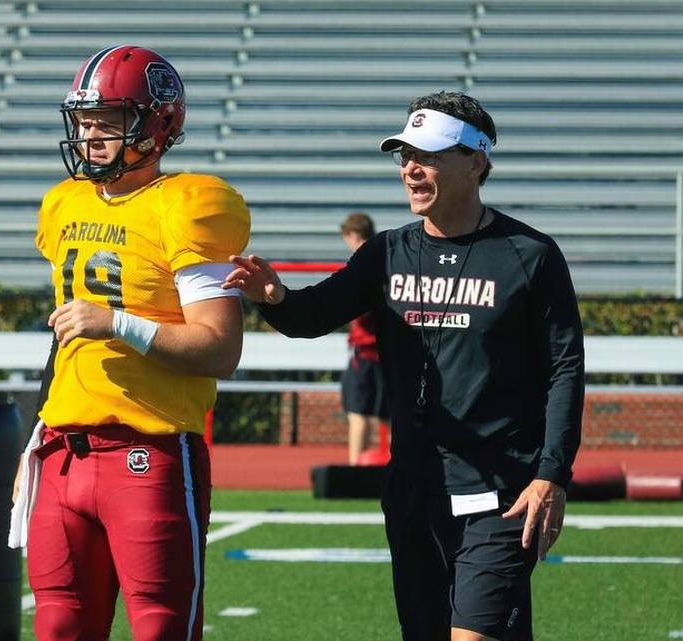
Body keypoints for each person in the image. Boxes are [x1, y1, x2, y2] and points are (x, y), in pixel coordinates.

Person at [224, 92, 584, 641]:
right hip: (414, 488)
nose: (412, 168)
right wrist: (274, 297)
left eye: (431, 154)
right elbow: (313, 314)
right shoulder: (387, 252)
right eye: (405, 156)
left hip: (502, 495)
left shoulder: (530, 255)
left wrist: (551, 474)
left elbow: (565, 369)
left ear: (477, 161)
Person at [9, 45, 251, 641]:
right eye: (85, 120)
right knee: (58, 625)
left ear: (156, 125)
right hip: (64, 452)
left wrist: (120, 323)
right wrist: (33, 436)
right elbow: (65, 339)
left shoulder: (190, 203)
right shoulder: (64, 203)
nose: (91, 134)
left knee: (159, 627)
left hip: (151, 452)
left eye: (108, 121)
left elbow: (219, 346)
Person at [338, 212, 389, 464]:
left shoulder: (362, 263)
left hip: (366, 353)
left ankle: (354, 469)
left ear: (352, 235)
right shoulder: (386, 258)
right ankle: (401, 470)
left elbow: (355, 308)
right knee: (391, 417)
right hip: (387, 353)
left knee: (358, 414)